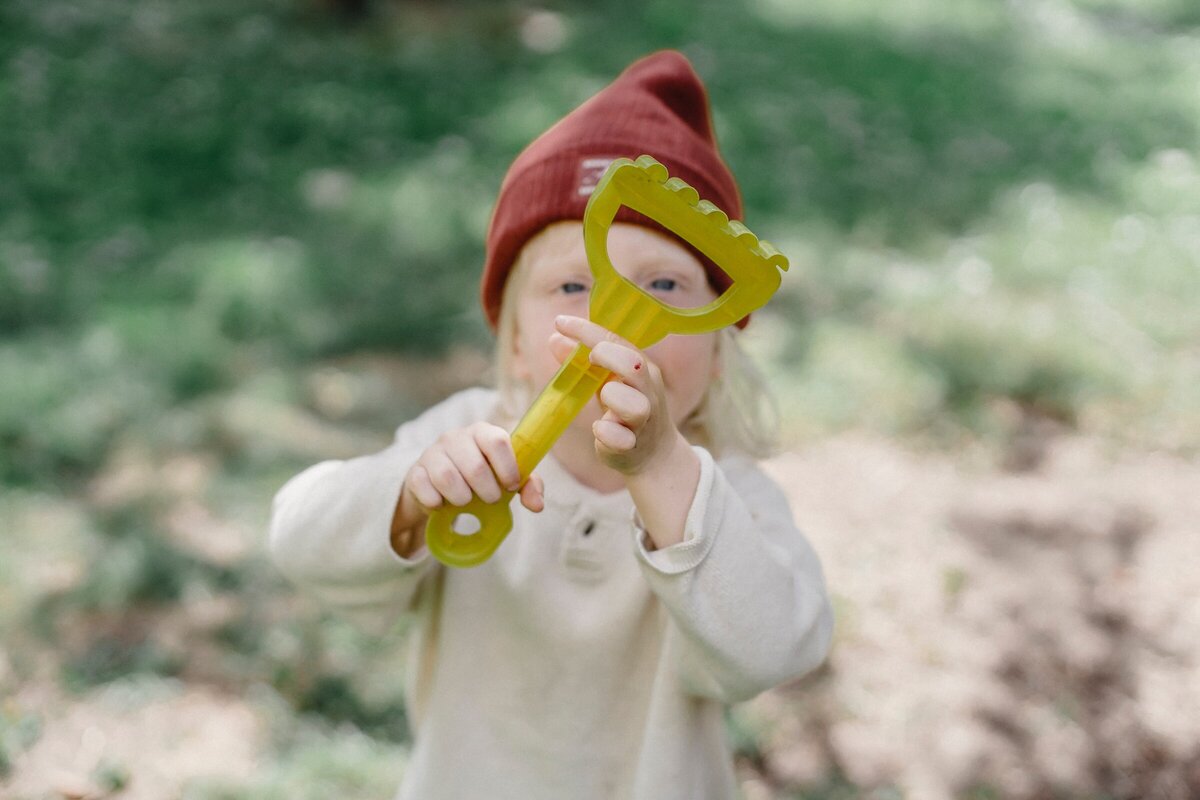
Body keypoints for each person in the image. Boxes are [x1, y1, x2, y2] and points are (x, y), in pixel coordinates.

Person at [268, 49, 833, 800]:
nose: (613, 318)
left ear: (719, 352)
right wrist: (406, 495)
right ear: (517, 344)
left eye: (665, 286)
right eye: (572, 284)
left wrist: (665, 470)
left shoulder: (723, 496)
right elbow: (298, 539)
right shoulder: (467, 437)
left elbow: (771, 652)